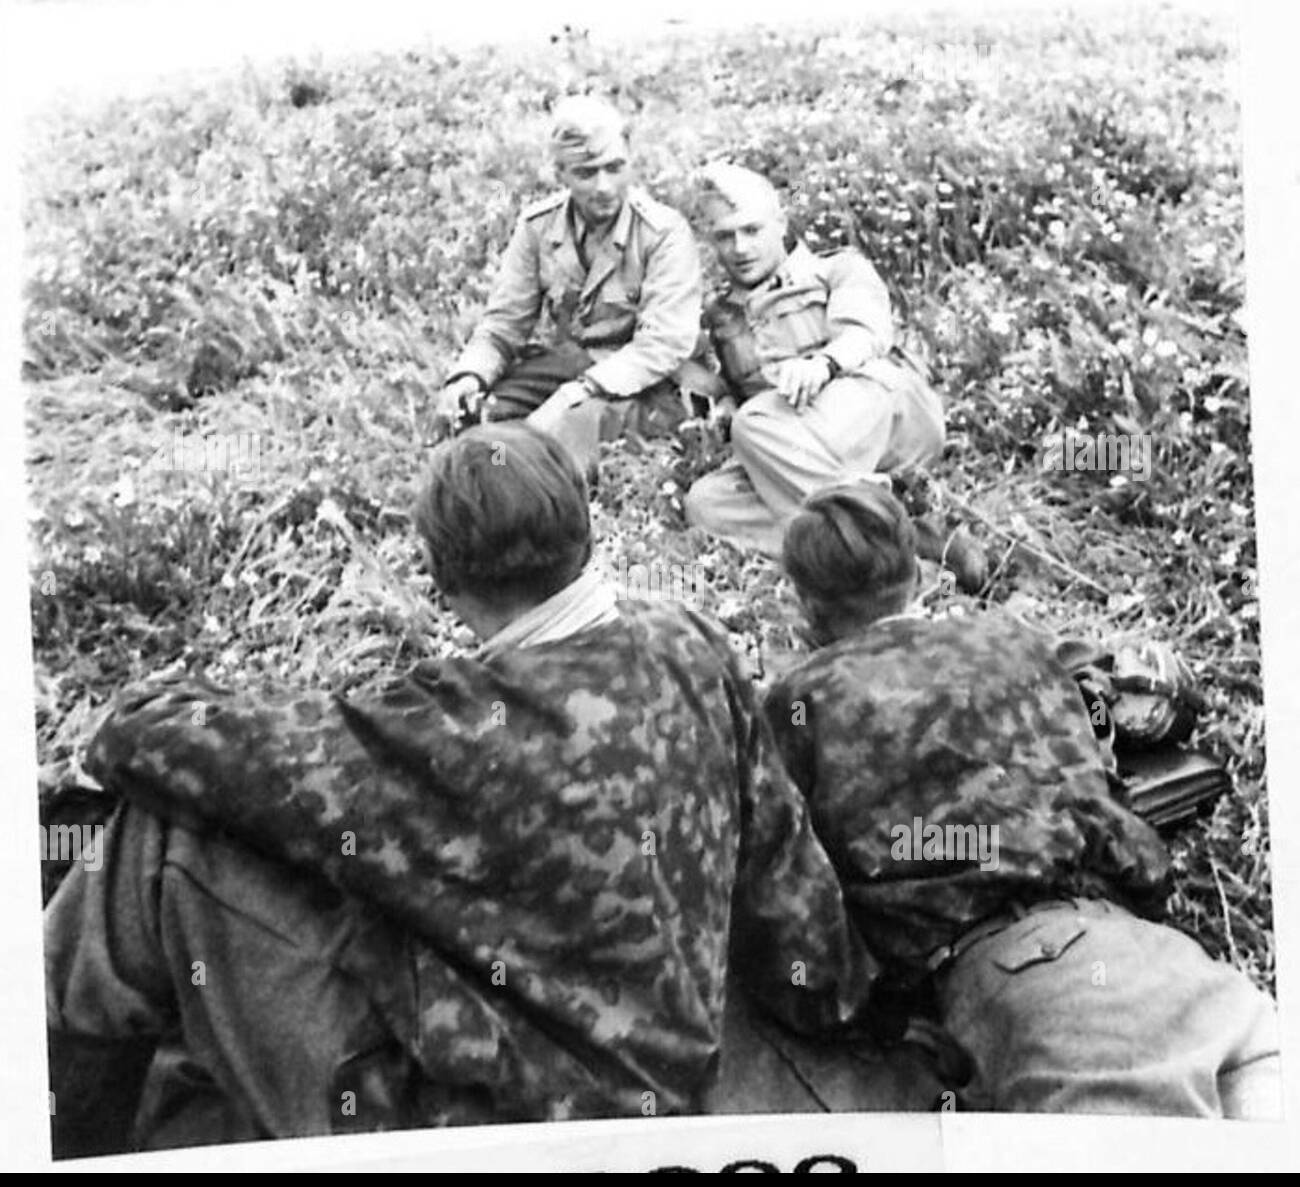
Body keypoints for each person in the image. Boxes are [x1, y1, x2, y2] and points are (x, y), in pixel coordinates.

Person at [46, 424, 875, 1156]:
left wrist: (164, 706)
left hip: (485, 1127)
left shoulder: (451, 722)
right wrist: (843, 1009)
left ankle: (61, 1130)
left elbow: (151, 738)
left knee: (160, 841)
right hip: (666, 1087)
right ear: (582, 532)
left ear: (443, 579)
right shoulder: (689, 639)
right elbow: (786, 876)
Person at [762, 480, 1282, 1116]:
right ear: (917, 571)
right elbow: (1100, 744)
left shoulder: (799, 702)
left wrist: (865, 1017)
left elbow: (788, 899)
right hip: (1179, 970)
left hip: (1040, 989)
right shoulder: (1011, 640)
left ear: (805, 605)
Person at [682, 164, 946, 557]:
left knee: (753, 424)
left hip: (877, 410)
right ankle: (884, 528)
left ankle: (867, 536)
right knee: (706, 503)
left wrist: (823, 364)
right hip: (799, 444)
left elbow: (866, 333)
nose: (740, 248)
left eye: (752, 230)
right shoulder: (721, 317)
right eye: (724, 236)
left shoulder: (836, 269)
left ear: (781, 224)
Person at [435, 96, 703, 472]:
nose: (604, 186)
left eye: (615, 168)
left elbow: (663, 345)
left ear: (630, 159)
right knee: (481, 421)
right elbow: (503, 325)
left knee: (562, 437)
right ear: (560, 173)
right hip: (565, 369)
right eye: (586, 173)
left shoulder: (663, 233)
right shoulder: (537, 227)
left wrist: (578, 391)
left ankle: (537, 498)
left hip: (638, 383)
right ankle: (492, 475)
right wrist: (469, 376)